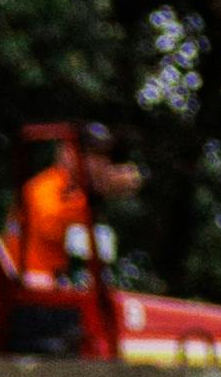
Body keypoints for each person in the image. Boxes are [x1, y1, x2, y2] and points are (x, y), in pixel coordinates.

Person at [13, 120, 144, 304]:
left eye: (104, 156)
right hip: (27, 294)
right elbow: (50, 225)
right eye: (91, 154)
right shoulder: (44, 186)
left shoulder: (79, 193)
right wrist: (98, 191)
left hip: (56, 294)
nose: (101, 163)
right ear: (66, 152)